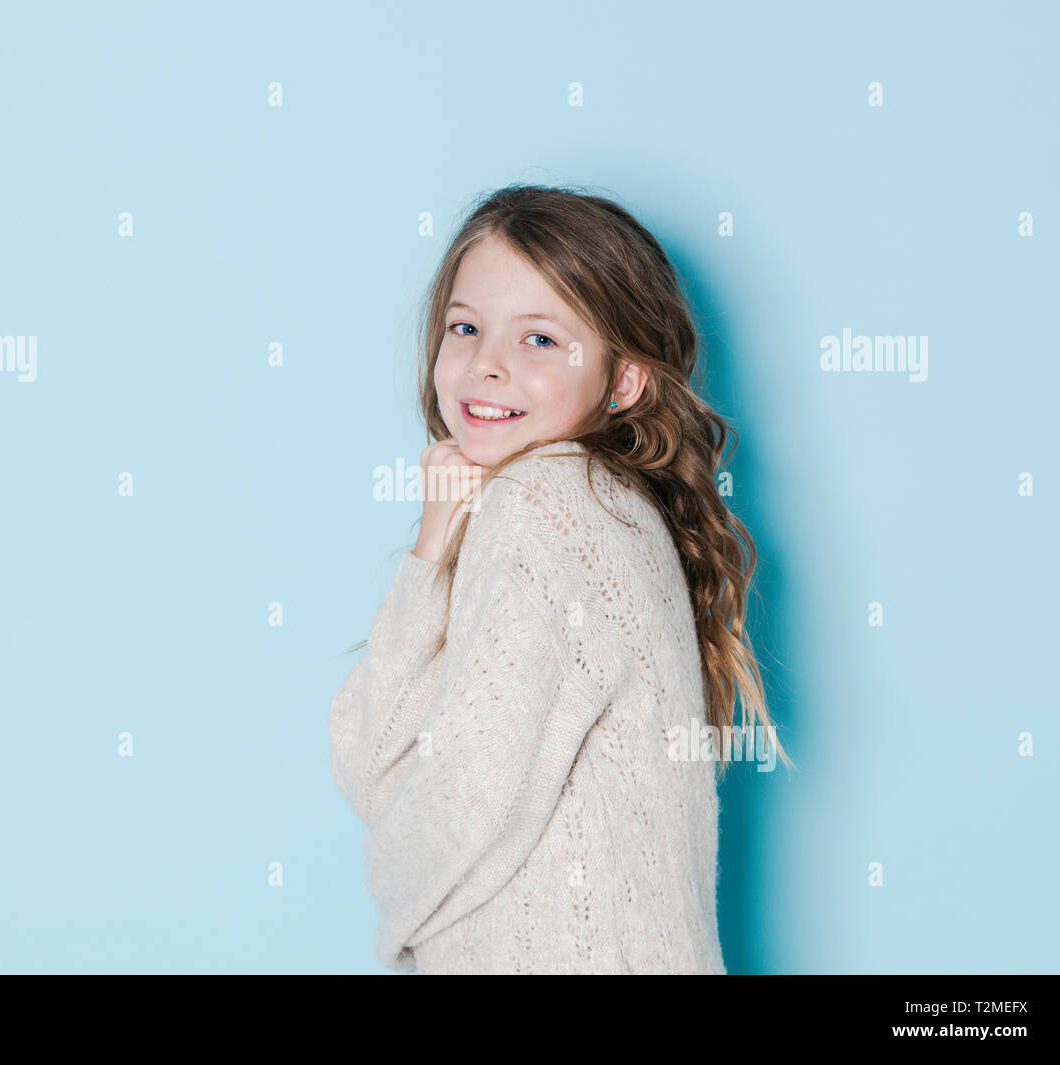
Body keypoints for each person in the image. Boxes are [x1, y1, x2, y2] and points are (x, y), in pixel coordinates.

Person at [328, 183, 791, 974]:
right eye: (465, 327)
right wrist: (432, 549)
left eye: (539, 340)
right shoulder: (592, 502)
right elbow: (382, 761)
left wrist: (392, 915)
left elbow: (440, 800)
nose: (486, 365)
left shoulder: (546, 505)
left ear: (624, 381)